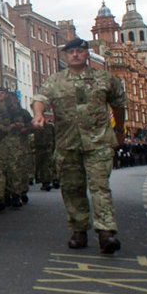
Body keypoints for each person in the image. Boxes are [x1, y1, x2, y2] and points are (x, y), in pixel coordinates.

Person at [31, 37, 127, 254]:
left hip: (98, 142)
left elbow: (119, 104)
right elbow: (40, 97)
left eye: (79, 51)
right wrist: (38, 114)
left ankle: (106, 232)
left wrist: (119, 130)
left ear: (87, 54)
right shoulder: (55, 81)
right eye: (71, 51)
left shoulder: (104, 79)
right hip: (68, 144)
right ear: (65, 55)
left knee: (100, 187)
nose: (75, 55)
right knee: (72, 188)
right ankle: (79, 230)